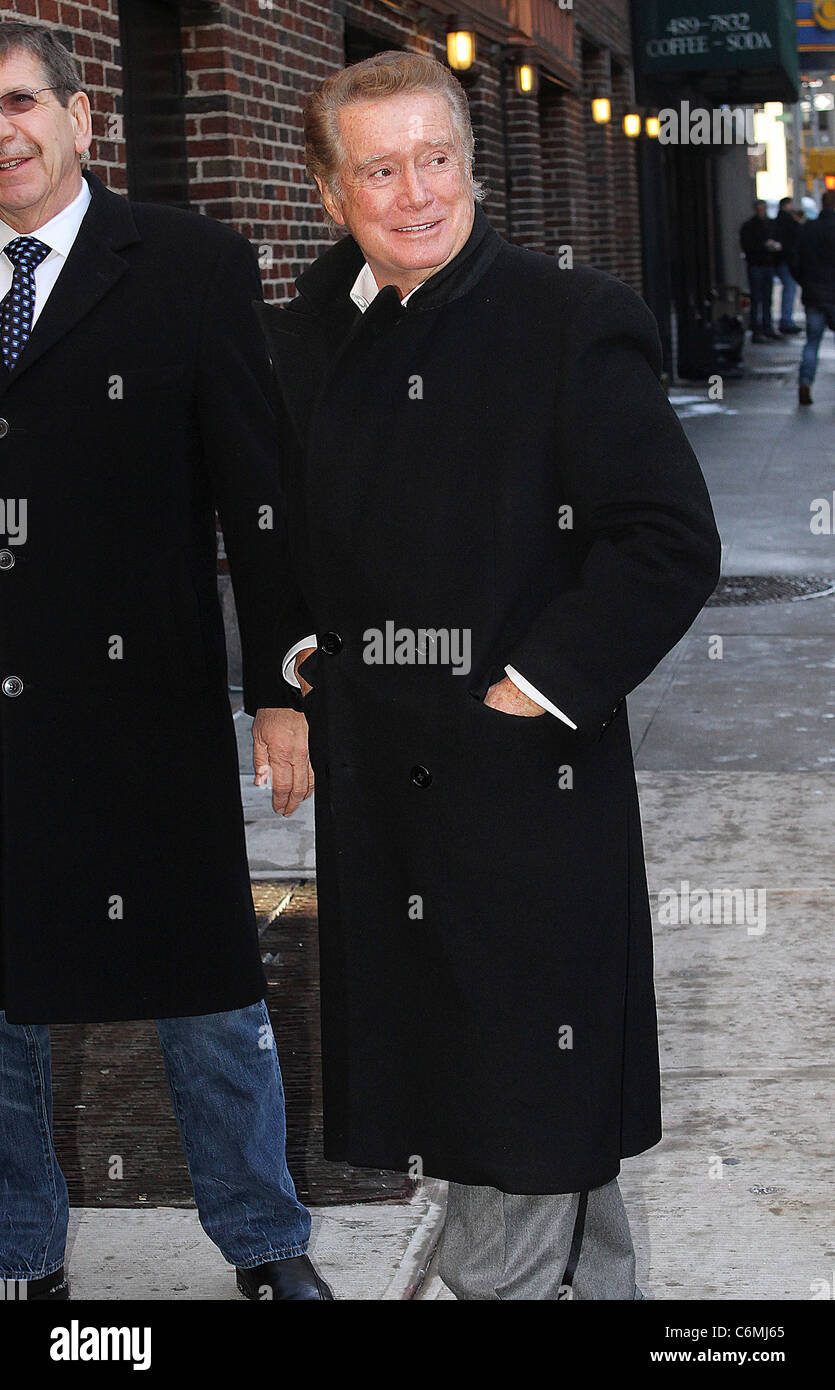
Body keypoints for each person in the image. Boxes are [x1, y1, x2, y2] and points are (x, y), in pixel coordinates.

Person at [254, 51, 721, 1300]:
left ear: (470, 164)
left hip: (526, 790)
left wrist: (529, 692)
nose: (415, 193)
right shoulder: (303, 336)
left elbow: (667, 540)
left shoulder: (568, 318)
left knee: (522, 1092)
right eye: (380, 170)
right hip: (383, 792)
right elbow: (276, 530)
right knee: (493, 1094)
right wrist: (298, 664)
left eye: (437, 159)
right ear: (330, 191)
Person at [0, 21, 330, 1301]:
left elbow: (261, 493)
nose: (4, 134)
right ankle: (21, 1253)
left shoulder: (191, 264)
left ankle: (266, 1240)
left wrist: (281, 691)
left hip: (147, 699)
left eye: (21, 101)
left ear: (82, 116)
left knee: (205, 986)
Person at [794, 189, 835, 405]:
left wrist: (805, 282)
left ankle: (805, 382)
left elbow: (795, 260)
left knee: (812, 342)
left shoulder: (809, 229)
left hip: (814, 294)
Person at [740, 199, 781, 340]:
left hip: (765, 264)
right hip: (757, 264)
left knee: (766, 298)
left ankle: (766, 327)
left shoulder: (769, 224)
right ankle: (758, 328)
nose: (762, 211)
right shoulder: (751, 226)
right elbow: (747, 245)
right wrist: (765, 246)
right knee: (757, 298)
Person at [772, 196, 802, 334]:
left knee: (789, 289)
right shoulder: (788, 221)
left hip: (782, 260)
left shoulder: (778, 221)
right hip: (786, 260)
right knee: (790, 289)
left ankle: (786, 320)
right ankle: (786, 321)